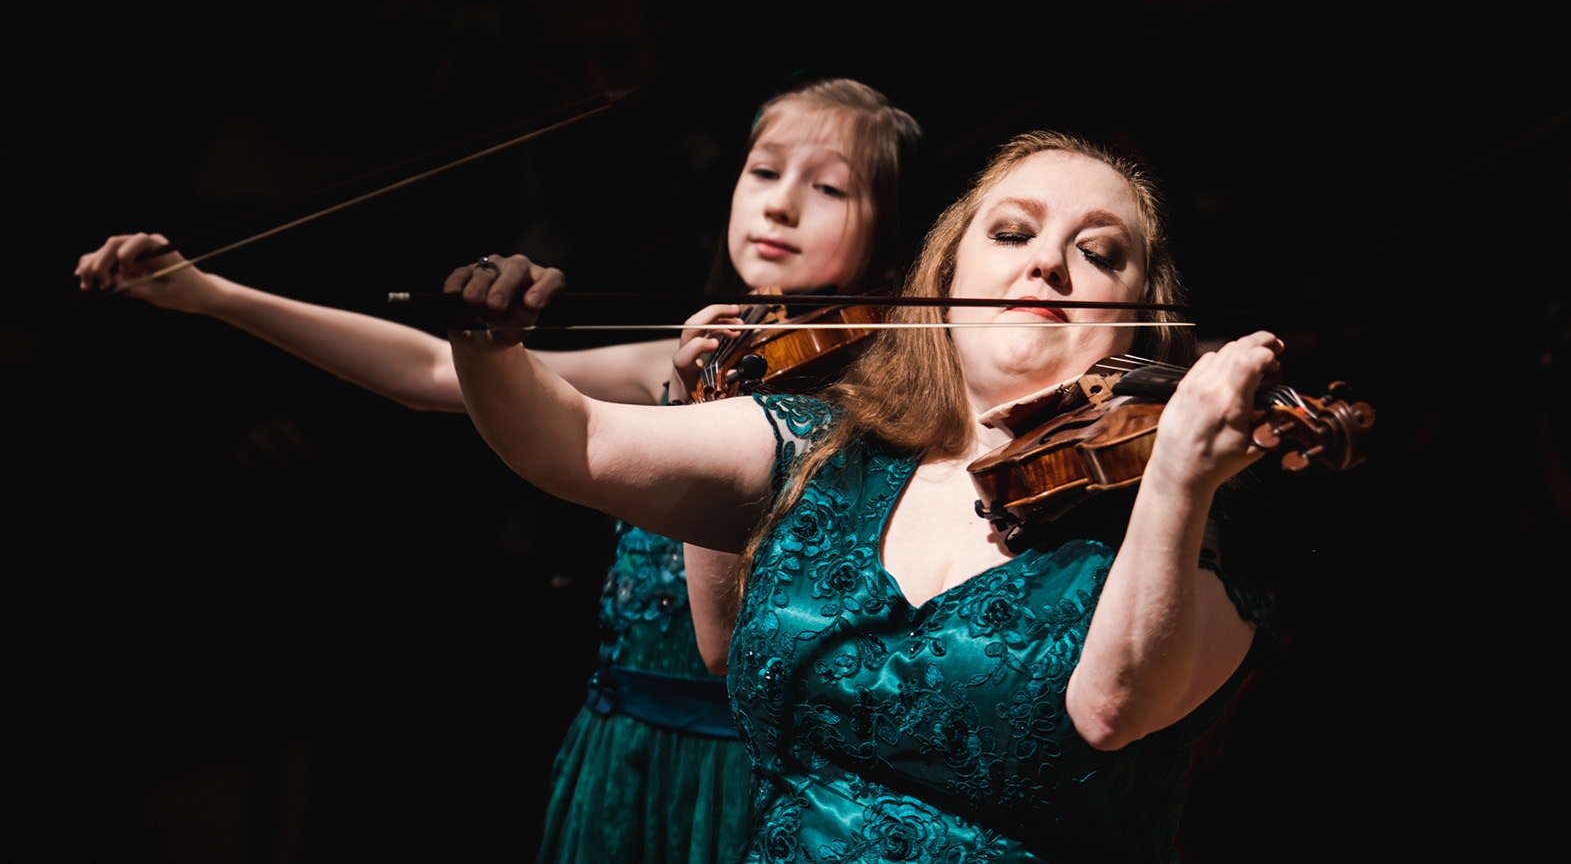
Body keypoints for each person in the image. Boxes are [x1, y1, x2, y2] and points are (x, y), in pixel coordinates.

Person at [73, 76, 924, 863]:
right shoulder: (679, 357)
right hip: (620, 743)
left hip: (750, 774)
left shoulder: (876, 407)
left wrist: (711, 395)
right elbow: (433, 373)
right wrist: (211, 294)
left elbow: (722, 653)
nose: (779, 205)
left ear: (892, 251)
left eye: (830, 187)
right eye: (764, 170)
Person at [440, 128, 1282, 862]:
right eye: (1013, 231)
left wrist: (1177, 478)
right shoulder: (823, 448)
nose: (1046, 263)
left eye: (1099, 253)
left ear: (1141, 320)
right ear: (947, 277)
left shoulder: (1195, 520)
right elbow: (576, 443)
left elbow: (1111, 707)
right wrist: (490, 348)